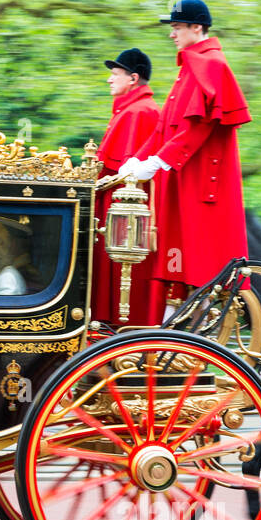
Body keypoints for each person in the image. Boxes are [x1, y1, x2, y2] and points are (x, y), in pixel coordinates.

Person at [121, 0, 251, 312]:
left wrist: (156, 162)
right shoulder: (191, 65)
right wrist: (136, 160)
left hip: (199, 180)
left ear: (197, 27)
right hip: (182, 176)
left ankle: (190, 328)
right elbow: (165, 127)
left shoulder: (210, 64)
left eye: (177, 27)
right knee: (176, 257)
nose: (172, 34)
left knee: (198, 260)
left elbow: (198, 126)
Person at [92, 47, 163, 324]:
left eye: (115, 74)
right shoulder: (130, 110)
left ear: (133, 79)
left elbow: (127, 176)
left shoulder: (140, 112)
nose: (109, 79)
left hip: (124, 218)